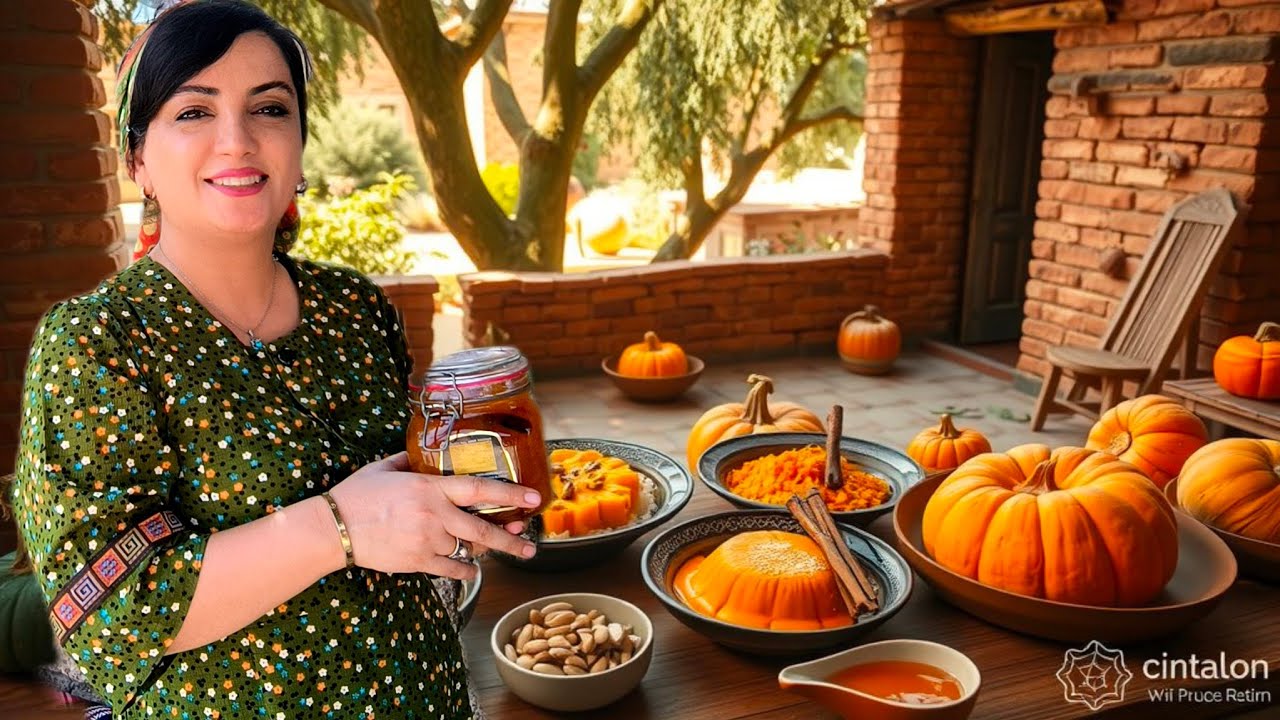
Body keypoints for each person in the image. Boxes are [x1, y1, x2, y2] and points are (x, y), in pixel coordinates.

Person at [10, 2, 538, 717]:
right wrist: (340, 528)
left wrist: (473, 489)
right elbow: (105, 611)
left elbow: (406, 480)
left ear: (299, 141)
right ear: (139, 158)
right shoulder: (97, 343)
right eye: (194, 112)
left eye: (269, 108)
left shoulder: (356, 308)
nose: (238, 140)